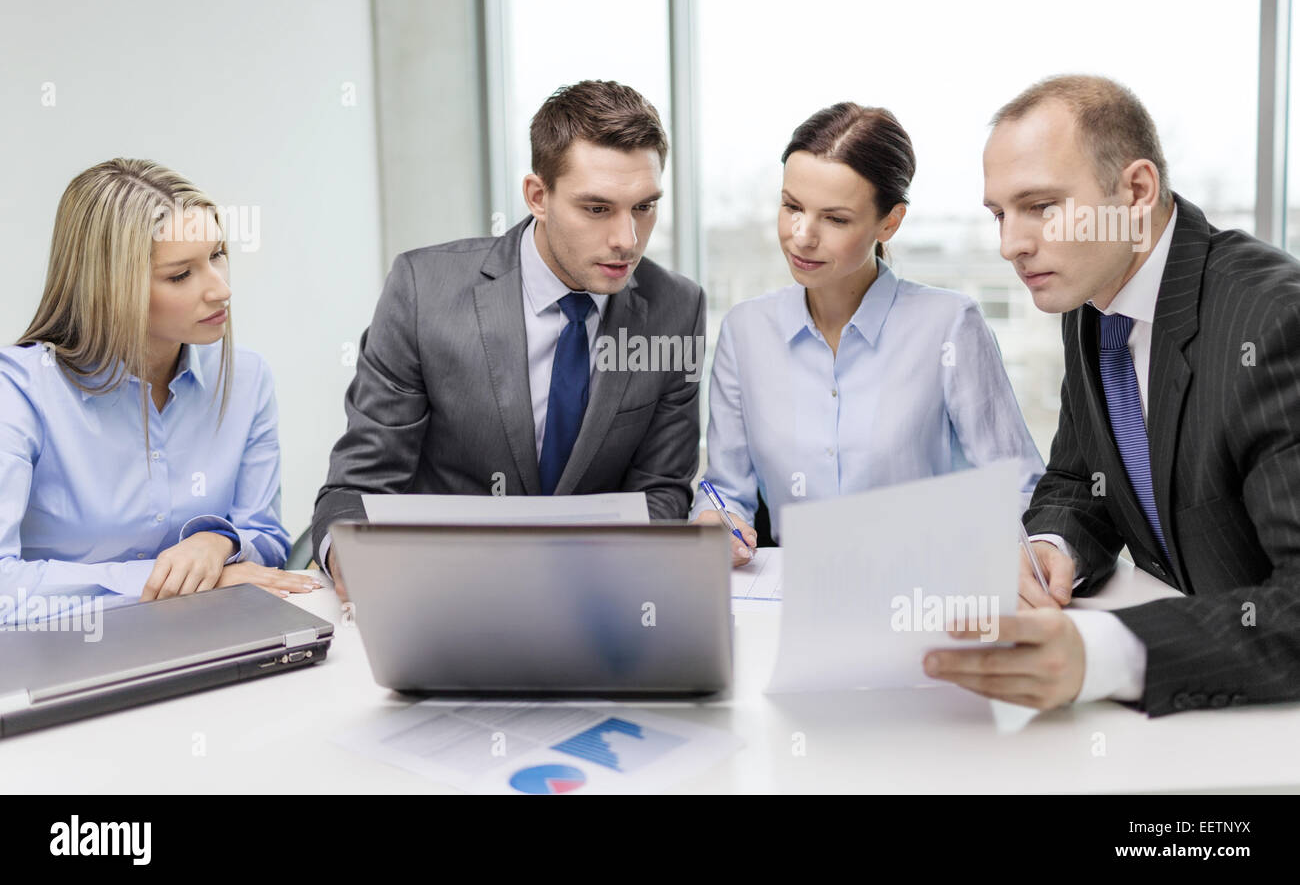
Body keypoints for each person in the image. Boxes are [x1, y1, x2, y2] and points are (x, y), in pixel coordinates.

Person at [927, 74, 1300, 716]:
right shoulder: (1095, 303)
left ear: (1135, 191)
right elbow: (1081, 478)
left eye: (1041, 206)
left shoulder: (1271, 322)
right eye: (999, 214)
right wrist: (1051, 549)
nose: (1010, 244)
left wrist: (1101, 652)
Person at [312, 81, 706, 596]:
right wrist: (352, 558)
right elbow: (356, 488)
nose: (626, 240)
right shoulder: (422, 291)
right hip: (442, 596)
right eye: (596, 209)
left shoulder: (676, 308)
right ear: (538, 197)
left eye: (644, 207)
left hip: (596, 602)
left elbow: (660, 491)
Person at [692, 103, 1043, 563]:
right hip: (792, 600)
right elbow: (725, 489)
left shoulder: (950, 325)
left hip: (922, 595)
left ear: (889, 222)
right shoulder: (745, 331)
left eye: (835, 219)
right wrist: (713, 519)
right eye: (792, 207)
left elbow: (1017, 486)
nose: (802, 236)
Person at [0, 159, 308, 625]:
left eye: (218, 254)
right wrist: (176, 582)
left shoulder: (247, 377)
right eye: (181, 275)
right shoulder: (19, 392)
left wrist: (217, 543)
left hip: (208, 638)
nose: (221, 289)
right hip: (63, 657)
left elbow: (264, 536)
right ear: (108, 288)